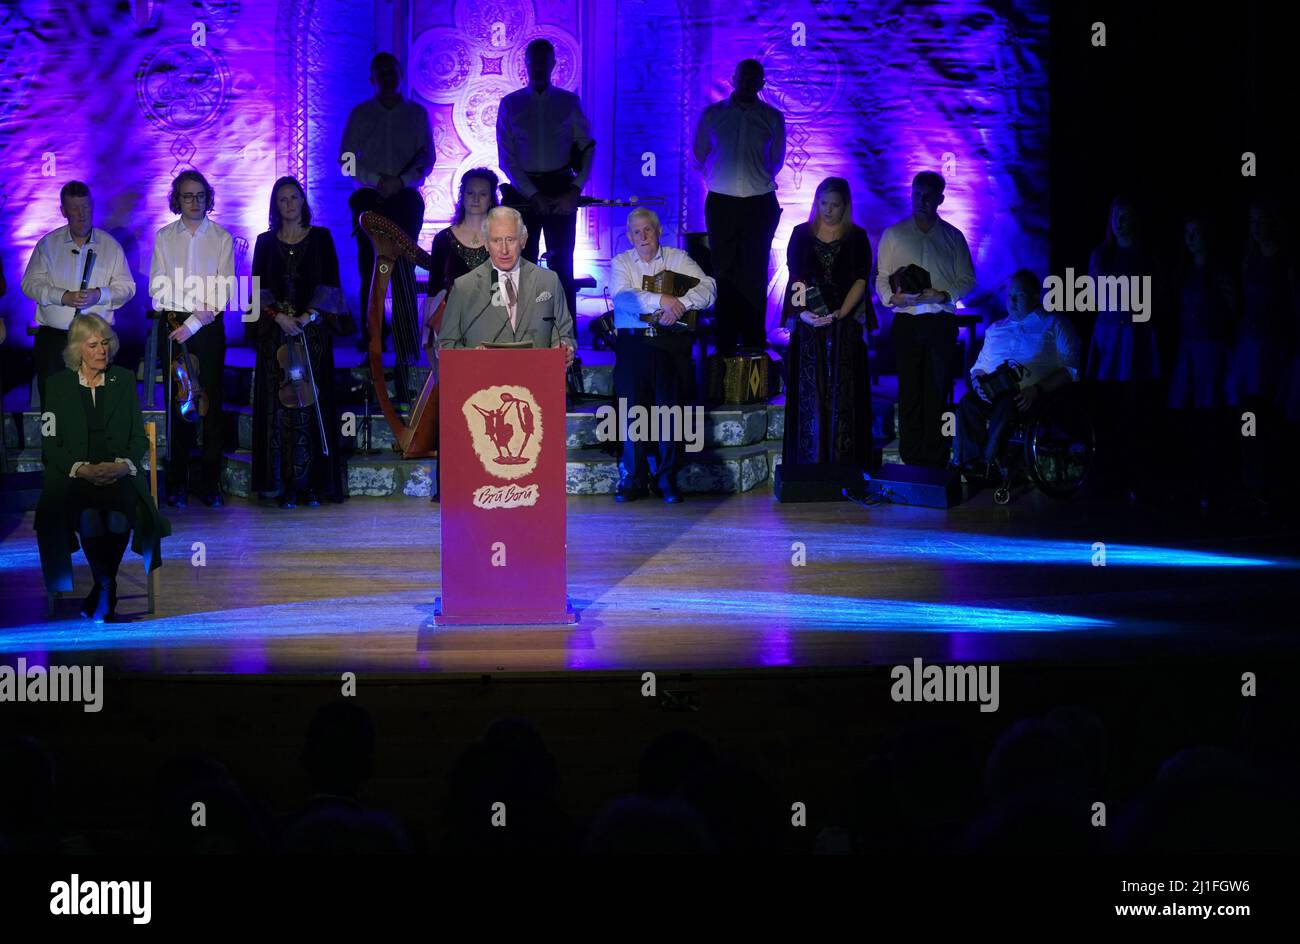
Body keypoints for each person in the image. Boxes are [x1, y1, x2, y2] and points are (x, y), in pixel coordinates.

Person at [35, 314, 171, 621]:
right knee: (90, 518)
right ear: (77, 350)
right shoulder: (56, 386)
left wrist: (123, 466)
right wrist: (80, 469)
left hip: (118, 473)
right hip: (76, 476)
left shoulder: (122, 380)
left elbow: (138, 437)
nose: (102, 351)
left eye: (106, 343)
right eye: (94, 345)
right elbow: (49, 443)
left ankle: (102, 590)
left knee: (120, 518)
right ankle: (107, 586)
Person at [250, 177, 347, 508]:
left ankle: (312, 483)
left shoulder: (321, 238)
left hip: (311, 336)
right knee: (280, 411)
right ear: (275, 206)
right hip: (275, 337)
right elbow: (255, 293)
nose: (289, 204)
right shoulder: (263, 243)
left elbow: (331, 286)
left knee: (309, 407)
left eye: (294, 198)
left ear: (303, 201)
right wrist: (278, 316)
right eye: (282, 199)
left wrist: (307, 317)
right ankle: (283, 484)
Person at [340, 51, 433, 398]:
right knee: (370, 271)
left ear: (401, 75)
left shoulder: (416, 114)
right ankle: (372, 343)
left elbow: (428, 157)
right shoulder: (360, 115)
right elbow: (346, 160)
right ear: (372, 78)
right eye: (380, 73)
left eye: (392, 72)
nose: (387, 78)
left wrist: (403, 180)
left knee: (405, 271)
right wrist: (377, 179)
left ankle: (408, 348)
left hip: (406, 197)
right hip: (371, 197)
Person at [610, 209, 717, 503]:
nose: (642, 236)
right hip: (634, 345)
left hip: (671, 344)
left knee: (669, 415)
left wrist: (678, 305)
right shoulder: (621, 263)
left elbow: (709, 288)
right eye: (636, 232)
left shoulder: (677, 258)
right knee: (633, 414)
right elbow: (624, 297)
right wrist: (661, 300)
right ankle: (634, 479)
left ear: (658, 231)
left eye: (648, 230)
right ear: (630, 236)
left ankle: (666, 479)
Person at [876, 170, 976, 467]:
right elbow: (881, 278)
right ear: (911, 194)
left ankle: (935, 455)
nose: (922, 200)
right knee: (909, 390)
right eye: (917, 194)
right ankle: (911, 456)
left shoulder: (953, 236)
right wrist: (893, 298)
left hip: (939, 322)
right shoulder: (894, 234)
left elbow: (968, 279)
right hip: (907, 320)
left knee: (937, 389)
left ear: (940, 199)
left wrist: (943, 295)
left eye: (928, 195)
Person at [149, 169, 236, 508]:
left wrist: (197, 321)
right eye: (188, 195)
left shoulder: (222, 238)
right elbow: (158, 290)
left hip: (208, 329)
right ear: (178, 199)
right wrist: (190, 316)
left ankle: (210, 481)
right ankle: (177, 481)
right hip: (173, 324)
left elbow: (224, 288)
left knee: (210, 402)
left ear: (208, 198)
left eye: (200, 195)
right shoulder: (164, 237)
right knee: (177, 402)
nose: (195, 201)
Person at [781, 177, 875, 479]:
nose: (829, 210)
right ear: (816, 203)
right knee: (811, 391)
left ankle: (845, 464)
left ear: (845, 206)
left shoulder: (857, 237)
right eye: (824, 204)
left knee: (844, 392)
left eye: (835, 205)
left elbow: (861, 280)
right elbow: (796, 277)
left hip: (844, 324)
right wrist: (804, 314)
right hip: (808, 325)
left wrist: (840, 314)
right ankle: (809, 462)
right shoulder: (800, 235)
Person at [496, 38, 594, 322]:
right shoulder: (510, 104)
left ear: (553, 64)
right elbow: (507, 159)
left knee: (562, 265)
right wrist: (531, 194)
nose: (538, 66)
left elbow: (587, 148)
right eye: (533, 60)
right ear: (525, 64)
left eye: (544, 60)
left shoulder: (569, 102)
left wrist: (575, 190)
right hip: (522, 191)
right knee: (519, 265)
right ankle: (521, 337)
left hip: (561, 189)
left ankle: (566, 344)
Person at [693, 58, 785, 353]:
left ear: (762, 84)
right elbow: (699, 154)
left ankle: (754, 341)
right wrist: (721, 180)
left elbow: (776, 161)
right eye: (742, 77)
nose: (746, 83)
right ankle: (725, 342)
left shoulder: (772, 117)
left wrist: (754, 180)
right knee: (724, 272)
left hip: (759, 203)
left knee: (755, 272)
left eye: (753, 79)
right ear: (733, 79)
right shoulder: (712, 115)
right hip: (722, 203)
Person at [20, 181, 136, 408]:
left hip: (96, 341)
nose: (81, 214)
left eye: (85, 207)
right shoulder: (47, 245)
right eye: (74, 208)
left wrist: (98, 295)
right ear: (63, 211)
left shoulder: (110, 246)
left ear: (92, 207)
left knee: (95, 406)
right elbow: (29, 284)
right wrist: (61, 296)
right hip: (54, 340)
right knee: (53, 406)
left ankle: (93, 444)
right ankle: (54, 444)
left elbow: (128, 288)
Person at [954, 269, 1079, 478]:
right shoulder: (996, 328)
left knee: (1008, 402)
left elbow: (1070, 369)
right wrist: (978, 384)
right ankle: (970, 465)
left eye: (1018, 295)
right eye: (1009, 295)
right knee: (968, 403)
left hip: (1033, 396)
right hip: (995, 391)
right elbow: (978, 368)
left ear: (1034, 296)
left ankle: (989, 463)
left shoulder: (1055, 325)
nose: (1011, 300)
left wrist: (1037, 390)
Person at [1085, 195, 1163, 500]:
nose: (1120, 222)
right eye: (1116, 215)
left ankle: (1133, 475)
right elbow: (1092, 297)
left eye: (1126, 216)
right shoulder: (1101, 255)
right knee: (1106, 407)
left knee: (1134, 408)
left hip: (1136, 337)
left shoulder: (1147, 254)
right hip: (1108, 337)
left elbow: (1157, 297)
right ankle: (1105, 473)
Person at [438, 207, 576, 360]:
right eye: (496, 240)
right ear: (486, 243)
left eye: (510, 240)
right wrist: (472, 357)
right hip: (484, 381)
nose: (504, 250)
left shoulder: (549, 281)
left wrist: (565, 348)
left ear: (523, 240)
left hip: (536, 378)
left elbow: (565, 334)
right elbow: (446, 345)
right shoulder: (464, 287)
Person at [1166, 212, 1236, 507]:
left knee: (1211, 417)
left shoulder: (1220, 272)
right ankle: (1191, 482)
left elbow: (1233, 310)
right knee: (1188, 418)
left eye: (1196, 232)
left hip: (1212, 349)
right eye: (1187, 232)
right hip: (1188, 350)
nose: (1191, 238)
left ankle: (1212, 483)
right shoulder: (1183, 270)